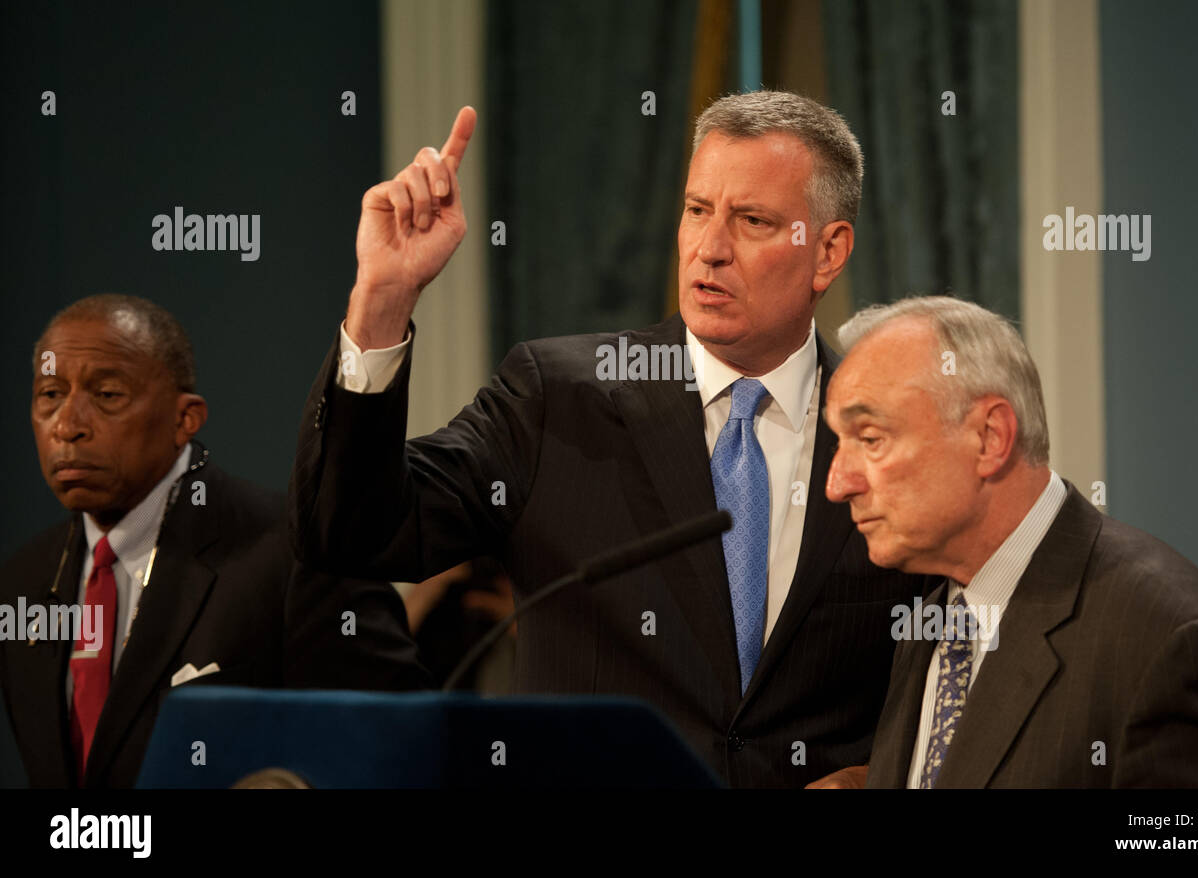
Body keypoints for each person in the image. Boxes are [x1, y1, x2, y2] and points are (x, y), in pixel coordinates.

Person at [290, 91, 926, 788]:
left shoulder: (893, 431)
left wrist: (890, 774)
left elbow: (956, 679)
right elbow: (352, 534)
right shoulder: (556, 397)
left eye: (751, 221)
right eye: (696, 211)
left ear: (828, 252)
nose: (709, 250)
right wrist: (382, 302)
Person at [822, 295, 1198, 788]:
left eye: (871, 439)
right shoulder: (936, 613)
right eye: (839, 442)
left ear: (989, 437)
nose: (838, 483)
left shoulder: (1168, 638)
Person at [0, 295, 431, 788]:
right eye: (50, 394)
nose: (68, 426)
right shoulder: (21, 584)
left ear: (185, 419)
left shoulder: (300, 555)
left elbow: (401, 746)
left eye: (108, 395)